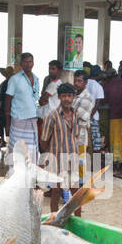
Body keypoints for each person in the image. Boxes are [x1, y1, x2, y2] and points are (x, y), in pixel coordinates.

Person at [40, 82, 81, 213]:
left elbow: (76, 135)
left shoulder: (76, 114)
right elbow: (44, 141)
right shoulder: (51, 116)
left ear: (74, 97)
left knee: (76, 192)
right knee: (56, 192)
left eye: (69, 96)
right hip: (56, 159)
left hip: (72, 158)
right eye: (64, 96)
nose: (67, 99)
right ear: (59, 97)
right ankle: (54, 220)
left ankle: (78, 219)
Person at [3, 53, 42, 161]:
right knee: (17, 150)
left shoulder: (36, 78)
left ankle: (30, 175)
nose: (28, 64)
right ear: (21, 64)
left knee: (32, 149)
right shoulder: (14, 79)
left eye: (30, 61)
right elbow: (8, 100)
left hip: (32, 119)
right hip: (19, 119)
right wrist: (7, 122)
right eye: (26, 62)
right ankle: (15, 174)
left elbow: (35, 98)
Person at [104, 65, 122, 179]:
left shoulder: (107, 86)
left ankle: (116, 167)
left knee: (115, 142)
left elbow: (103, 101)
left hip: (114, 116)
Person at [76, 67, 104, 154]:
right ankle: (96, 166)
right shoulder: (98, 86)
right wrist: (90, 115)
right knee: (96, 143)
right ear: (98, 75)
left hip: (82, 118)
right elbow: (97, 104)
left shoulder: (79, 85)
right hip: (93, 117)